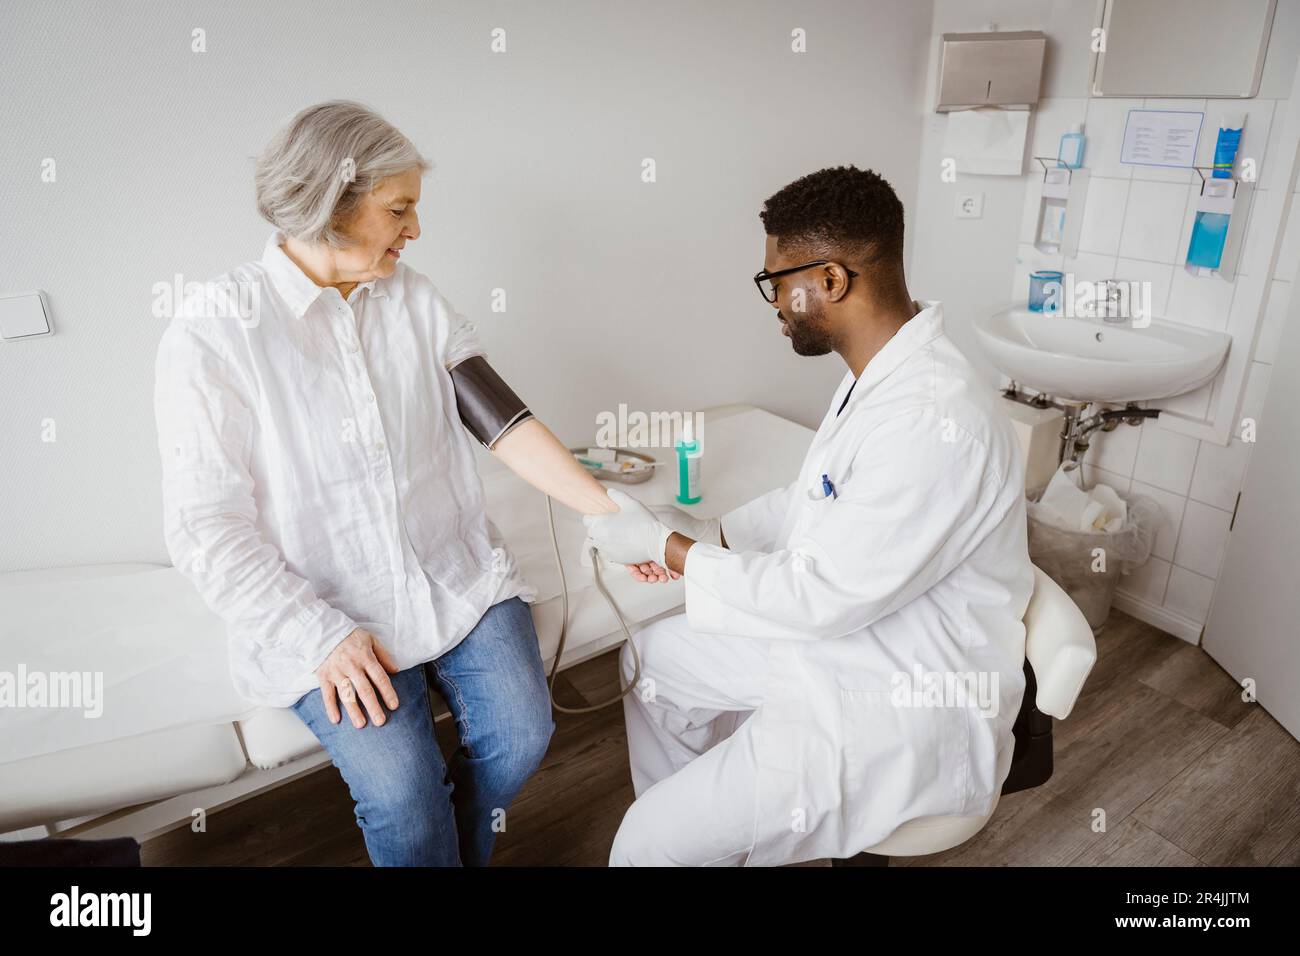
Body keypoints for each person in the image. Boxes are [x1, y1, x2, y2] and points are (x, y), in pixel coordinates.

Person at [154, 100, 616, 866]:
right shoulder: (213, 330)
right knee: (403, 791)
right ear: (328, 204)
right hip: (321, 606)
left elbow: (504, 424)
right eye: (399, 209)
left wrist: (611, 515)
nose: (416, 229)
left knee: (524, 733)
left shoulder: (414, 300)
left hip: (453, 572)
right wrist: (320, 637)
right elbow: (207, 528)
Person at [584, 165, 1035, 866]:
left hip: (900, 698)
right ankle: (709, 839)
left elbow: (819, 597)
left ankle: (680, 841)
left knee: (642, 845)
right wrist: (710, 534)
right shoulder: (882, 373)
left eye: (776, 281)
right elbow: (813, 496)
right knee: (651, 662)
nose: (772, 303)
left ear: (830, 280)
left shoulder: (932, 417)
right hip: (849, 642)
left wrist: (669, 549)